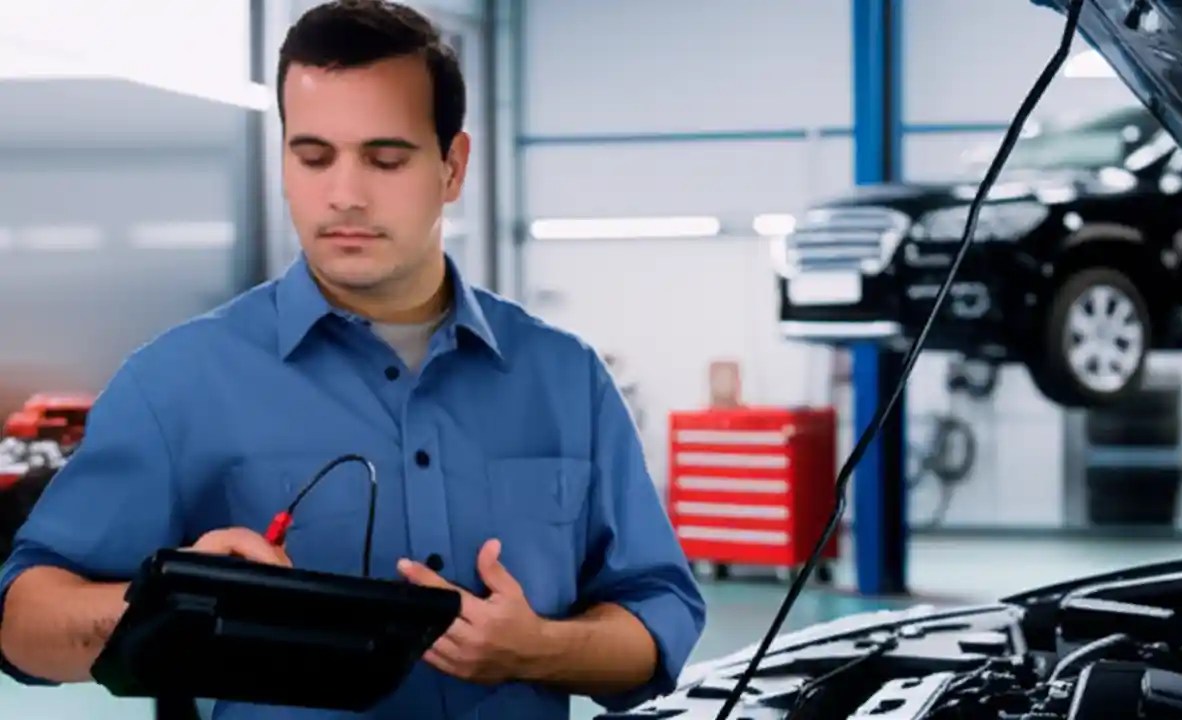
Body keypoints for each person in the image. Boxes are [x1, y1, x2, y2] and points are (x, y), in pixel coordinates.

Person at [0, 1, 706, 717]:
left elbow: (660, 615)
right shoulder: (175, 384)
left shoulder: (564, 381)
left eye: (385, 158)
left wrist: (536, 648)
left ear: (452, 166)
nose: (344, 193)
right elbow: (22, 624)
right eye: (313, 157)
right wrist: (170, 600)